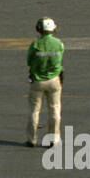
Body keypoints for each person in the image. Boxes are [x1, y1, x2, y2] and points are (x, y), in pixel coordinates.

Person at [26, 17, 64, 146]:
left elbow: (28, 61)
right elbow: (59, 59)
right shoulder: (59, 43)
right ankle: (53, 139)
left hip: (37, 80)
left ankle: (32, 139)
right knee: (54, 110)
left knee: (34, 111)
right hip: (54, 80)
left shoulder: (35, 45)